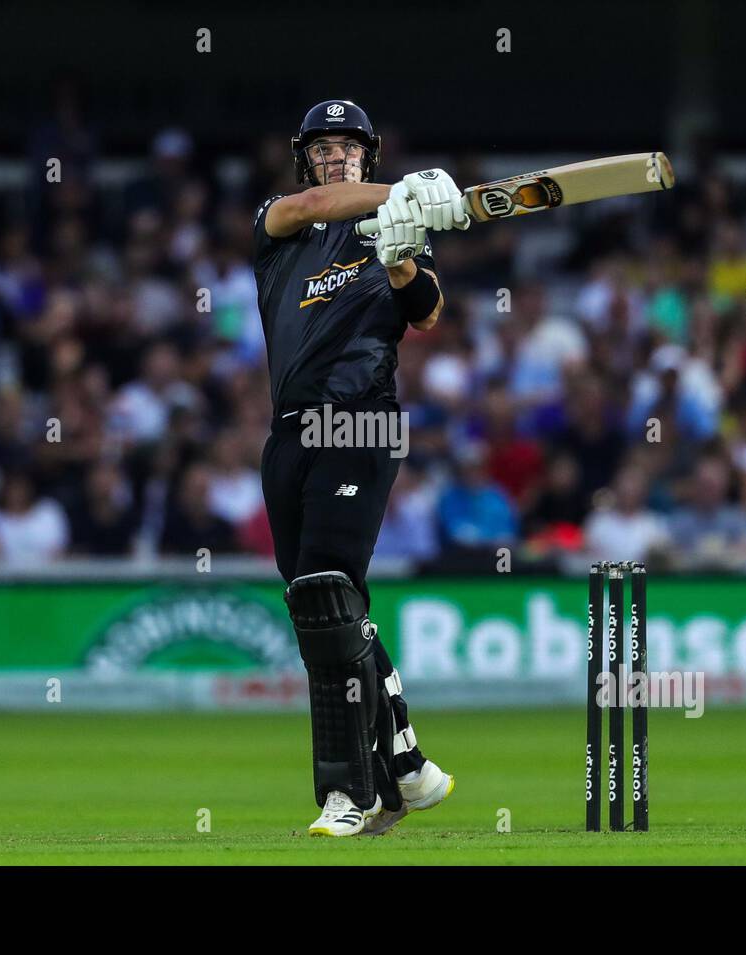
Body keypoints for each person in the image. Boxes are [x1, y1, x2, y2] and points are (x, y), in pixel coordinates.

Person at [252, 99, 468, 836]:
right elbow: (315, 205)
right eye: (323, 147)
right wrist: (401, 196)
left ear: (367, 153)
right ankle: (403, 760)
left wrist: (402, 252)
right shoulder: (279, 225)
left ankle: (350, 793)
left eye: (349, 147)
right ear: (304, 157)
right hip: (289, 433)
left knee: (327, 588)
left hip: (361, 420)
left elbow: (427, 311)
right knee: (324, 612)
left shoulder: (398, 228)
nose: (335, 156)